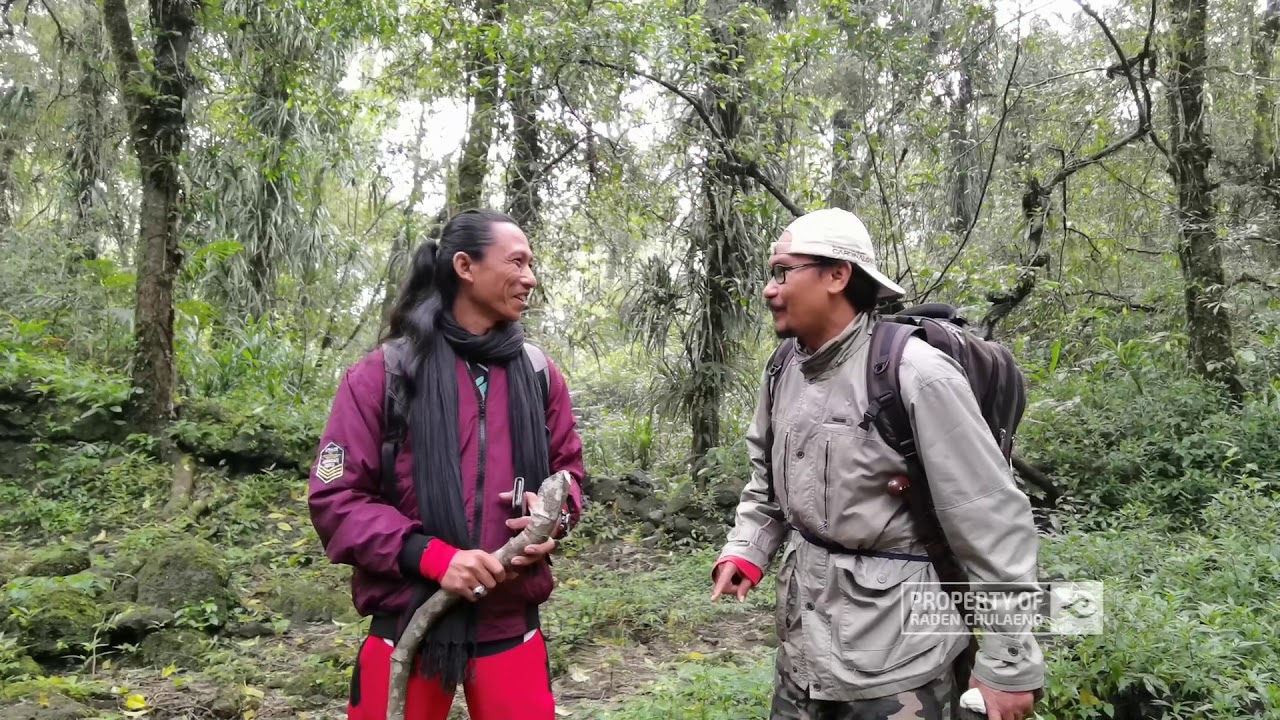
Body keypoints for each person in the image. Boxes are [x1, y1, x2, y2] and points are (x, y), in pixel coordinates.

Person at [710, 208, 1044, 720]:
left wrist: (1009, 663)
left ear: (837, 275)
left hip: (900, 662)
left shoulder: (917, 374)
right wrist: (748, 548)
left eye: (782, 272)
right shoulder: (783, 370)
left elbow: (992, 521)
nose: (769, 289)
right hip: (803, 650)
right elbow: (767, 482)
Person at [307, 208, 586, 720]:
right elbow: (337, 498)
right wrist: (434, 557)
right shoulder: (385, 375)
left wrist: (551, 519)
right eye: (517, 262)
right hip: (407, 621)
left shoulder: (539, 374)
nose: (531, 278)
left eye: (531, 264)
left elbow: (568, 474)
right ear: (465, 266)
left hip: (510, 623)